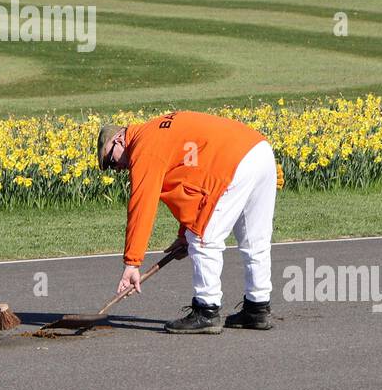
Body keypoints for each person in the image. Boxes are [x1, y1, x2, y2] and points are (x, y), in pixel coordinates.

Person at [97, 110, 283, 334]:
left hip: (235, 162)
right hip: (258, 151)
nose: (116, 168)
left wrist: (132, 263)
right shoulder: (156, 133)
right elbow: (192, 185)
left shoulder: (143, 146)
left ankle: (207, 311)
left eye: (110, 159)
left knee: (204, 238)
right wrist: (182, 236)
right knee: (255, 239)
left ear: (119, 139)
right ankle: (257, 308)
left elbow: (141, 205)